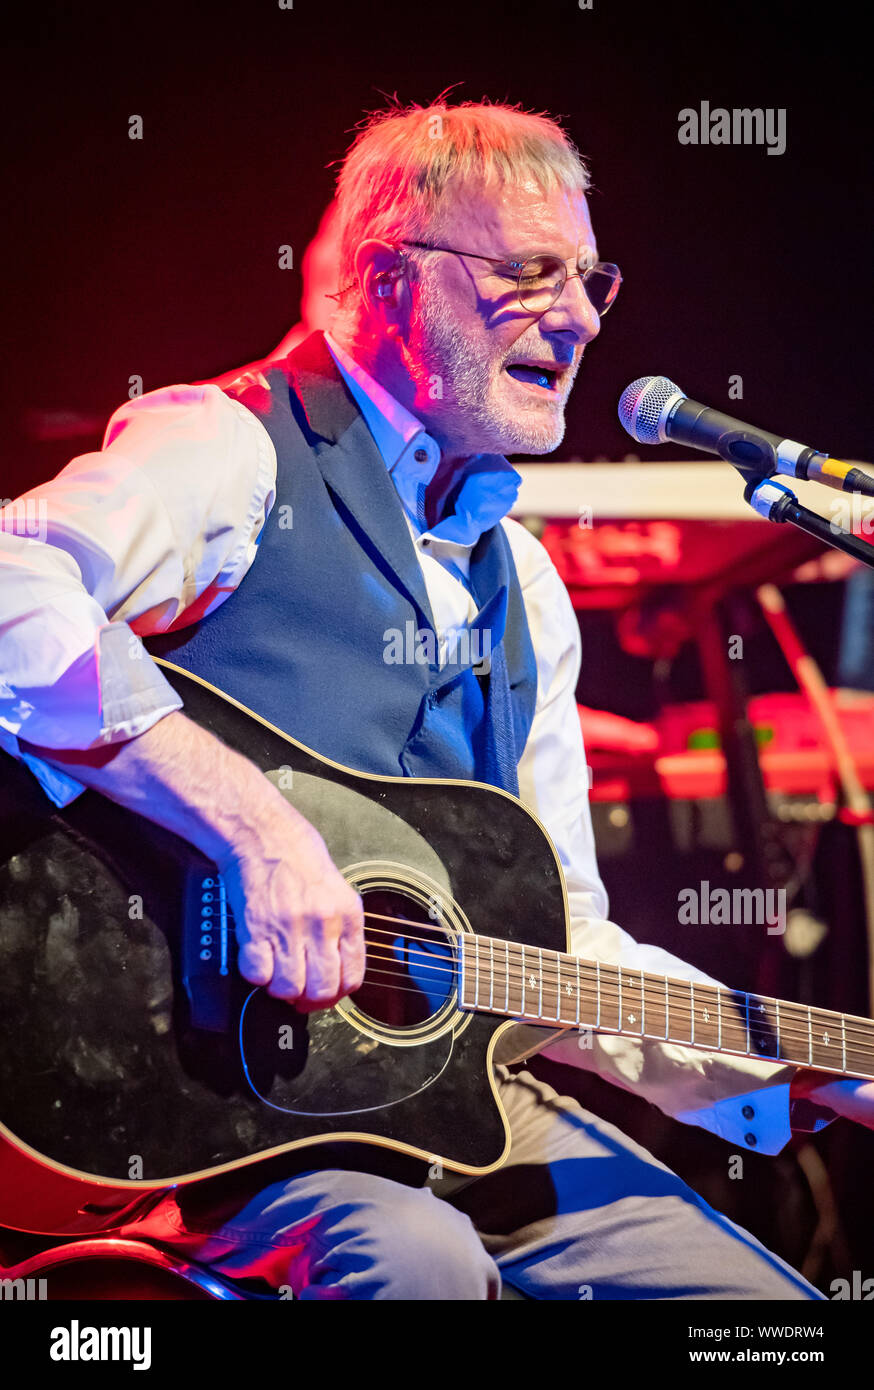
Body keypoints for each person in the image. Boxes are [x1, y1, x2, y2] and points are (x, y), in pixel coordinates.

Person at [1, 99, 870, 1300]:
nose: (575, 319)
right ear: (385, 277)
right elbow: (16, 575)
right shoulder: (234, 446)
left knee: (764, 1317)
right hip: (206, 1115)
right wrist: (252, 827)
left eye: (589, 280)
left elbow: (561, 952)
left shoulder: (527, 584)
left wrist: (807, 1064)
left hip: (452, 1113)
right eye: (527, 274)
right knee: (417, 1265)